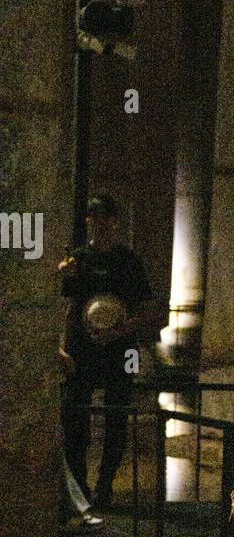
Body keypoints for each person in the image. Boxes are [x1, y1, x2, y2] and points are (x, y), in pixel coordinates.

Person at [60, 193, 160, 511]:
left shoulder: (128, 261)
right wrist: (64, 348)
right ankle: (80, 488)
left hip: (123, 351)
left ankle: (104, 487)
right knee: (76, 417)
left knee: (118, 415)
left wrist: (122, 329)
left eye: (104, 218)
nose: (98, 224)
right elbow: (70, 306)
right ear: (88, 222)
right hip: (83, 348)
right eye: (93, 218)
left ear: (114, 222)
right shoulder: (78, 260)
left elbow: (146, 308)